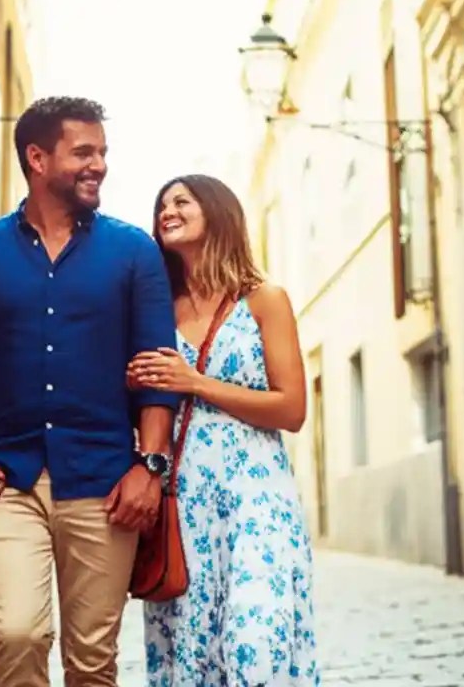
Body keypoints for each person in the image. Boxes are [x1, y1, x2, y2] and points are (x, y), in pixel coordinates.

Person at [0, 96, 181, 687]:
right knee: (18, 634)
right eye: (83, 152)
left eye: (103, 153)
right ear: (37, 158)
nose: (100, 165)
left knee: (93, 658)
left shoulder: (133, 250)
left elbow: (157, 369)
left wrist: (151, 466)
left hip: (104, 481)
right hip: (4, 479)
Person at [127, 174, 320, 686]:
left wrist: (195, 382)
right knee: (191, 639)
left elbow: (292, 409)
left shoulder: (264, 300)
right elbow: (146, 406)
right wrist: (131, 388)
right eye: (161, 204)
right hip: (184, 495)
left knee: (257, 636)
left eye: (181, 201)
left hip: (258, 496)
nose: (167, 210)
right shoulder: (154, 310)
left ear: (217, 212)